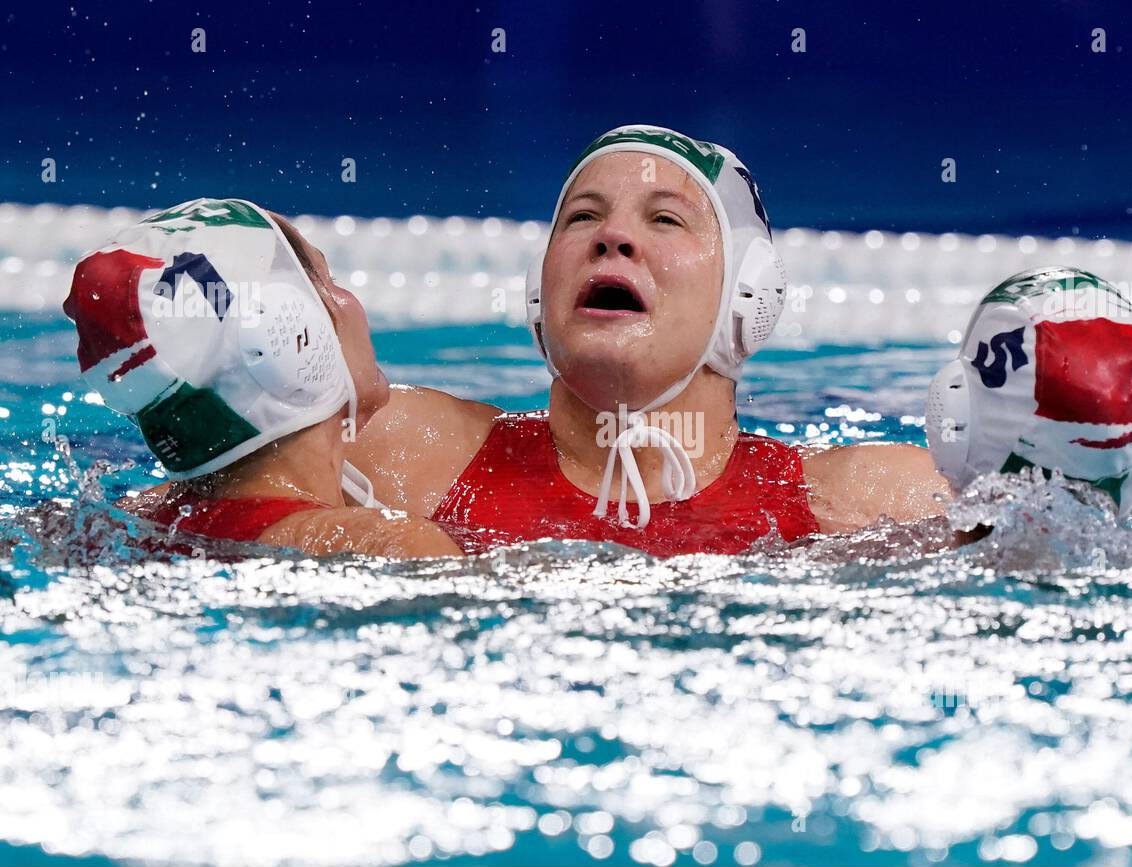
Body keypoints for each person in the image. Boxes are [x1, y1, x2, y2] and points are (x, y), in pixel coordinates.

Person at [350, 125, 952, 558]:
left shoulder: (878, 499)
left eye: (665, 219)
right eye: (583, 217)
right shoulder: (402, 452)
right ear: (540, 288)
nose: (612, 235)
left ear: (748, 291)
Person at [62, 197, 461, 558]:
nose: (349, 302)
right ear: (289, 335)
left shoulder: (111, 524)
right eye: (329, 281)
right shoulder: (387, 545)